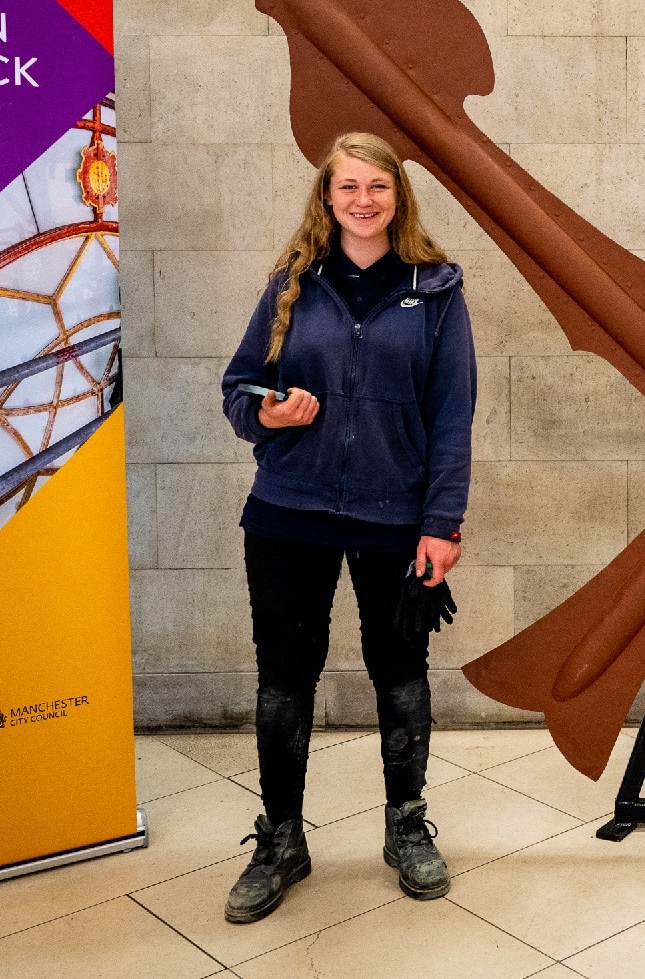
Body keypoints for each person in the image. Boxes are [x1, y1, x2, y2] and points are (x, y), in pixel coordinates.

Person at [218, 131, 476, 922]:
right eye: (347, 188)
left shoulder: (435, 289)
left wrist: (442, 520)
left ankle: (406, 827)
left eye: (378, 188)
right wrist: (269, 412)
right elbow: (237, 390)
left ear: (399, 197)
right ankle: (282, 839)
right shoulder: (293, 282)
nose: (363, 201)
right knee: (284, 676)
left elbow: (452, 415)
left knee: (399, 671)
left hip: (395, 521)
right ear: (326, 198)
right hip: (288, 514)